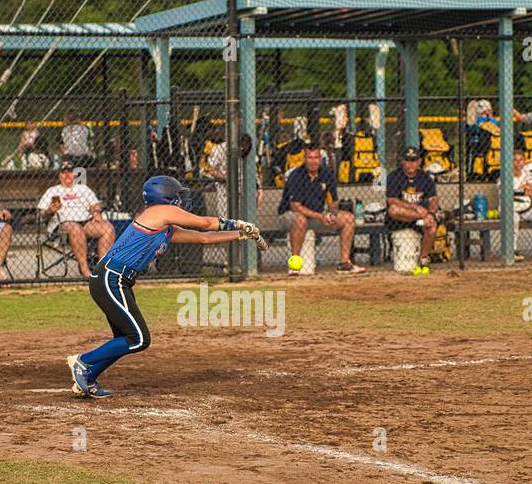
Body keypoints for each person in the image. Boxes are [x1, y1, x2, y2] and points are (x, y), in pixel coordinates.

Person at [66, 175, 264, 398]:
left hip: (117, 281)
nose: (180, 201)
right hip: (111, 278)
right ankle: (83, 361)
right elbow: (207, 223)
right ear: (164, 197)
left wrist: (241, 235)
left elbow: (204, 238)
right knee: (138, 339)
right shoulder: (159, 211)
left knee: (125, 338)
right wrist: (238, 222)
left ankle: (88, 377)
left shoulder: (165, 227)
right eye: (176, 196)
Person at [277, 145, 365, 274]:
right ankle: (294, 265)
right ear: (304, 159)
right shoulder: (296, 175)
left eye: (316, 157)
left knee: (348, 218)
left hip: (316, 216)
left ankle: (344, 263)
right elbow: (295, 207)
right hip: (290, 217)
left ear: (320, 158)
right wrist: (321, 217)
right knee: (300, 219)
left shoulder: (327, 175)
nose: (313, 161)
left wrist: (331, 215)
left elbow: (332, 203)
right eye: (309, 157)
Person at [37, 165, 115, 278]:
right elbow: (41, 213)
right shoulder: (53, 191)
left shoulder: (83, 189)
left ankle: (102, 269)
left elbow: (95, 204)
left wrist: (96, 213)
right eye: (64, 172)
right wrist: (50, 210)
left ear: (74, 175)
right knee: (75, 228)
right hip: (62, 224)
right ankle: (86, 271)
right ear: (60, 176)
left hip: (85, 221)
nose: (67, 174)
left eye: (70, 172)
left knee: (108, 228)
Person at [385, 146, 439, 271]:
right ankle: (423, 218)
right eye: (408, 160)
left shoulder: (426, 178)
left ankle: (423, 259)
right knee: (393, 209)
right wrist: (416, 209)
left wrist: (430, 214)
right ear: (402, 161)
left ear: (419, 161)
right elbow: (392, 200)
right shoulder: (393, 176)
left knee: (432, 225)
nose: (411, 164)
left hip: (421, 220)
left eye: (414, 160)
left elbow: (434, 200)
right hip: (401, 218)